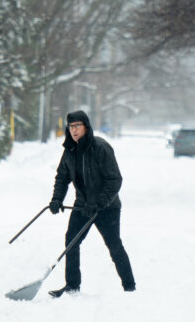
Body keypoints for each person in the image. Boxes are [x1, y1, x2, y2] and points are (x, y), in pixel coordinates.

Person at [47, 110, 136, 296]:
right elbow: (62, 177)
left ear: (86, 127)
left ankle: (129, 286)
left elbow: (115, 180)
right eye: (71, 126)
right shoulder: (70, 150)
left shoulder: (100, 148)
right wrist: (57, 199)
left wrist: (99, 202)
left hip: (107, 207)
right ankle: (72, 285)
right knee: (71, 242)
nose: (74, 130)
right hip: (82, 205)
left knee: (114, 245)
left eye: (77, 126)